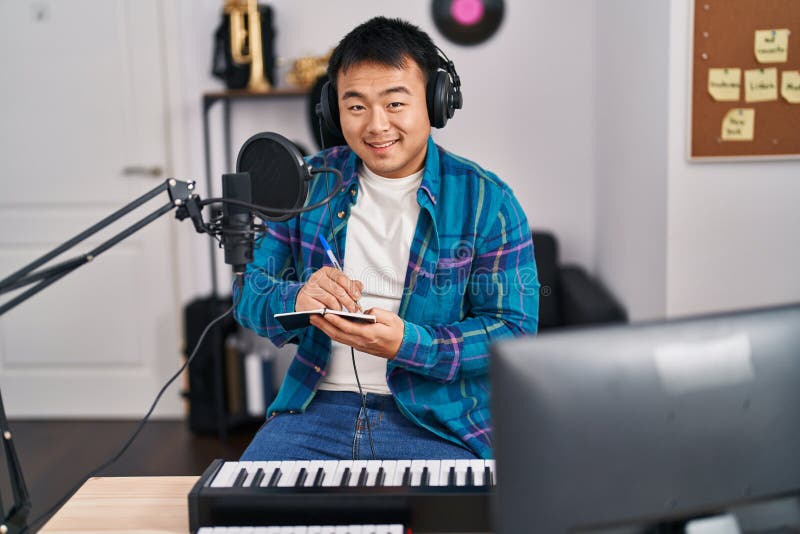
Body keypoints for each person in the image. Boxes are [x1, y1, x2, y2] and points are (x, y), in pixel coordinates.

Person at [234, 16, 539, 461]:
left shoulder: (487, 200)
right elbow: (248, 293)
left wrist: (409, 344)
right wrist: (296, 297)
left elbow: (513, 332)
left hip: (439, 422)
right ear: (333, 110)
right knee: (240, 504)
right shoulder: (308, 184)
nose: (376, 125)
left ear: (435, 102)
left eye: (395, 103)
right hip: (314, 410)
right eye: (356, 107)